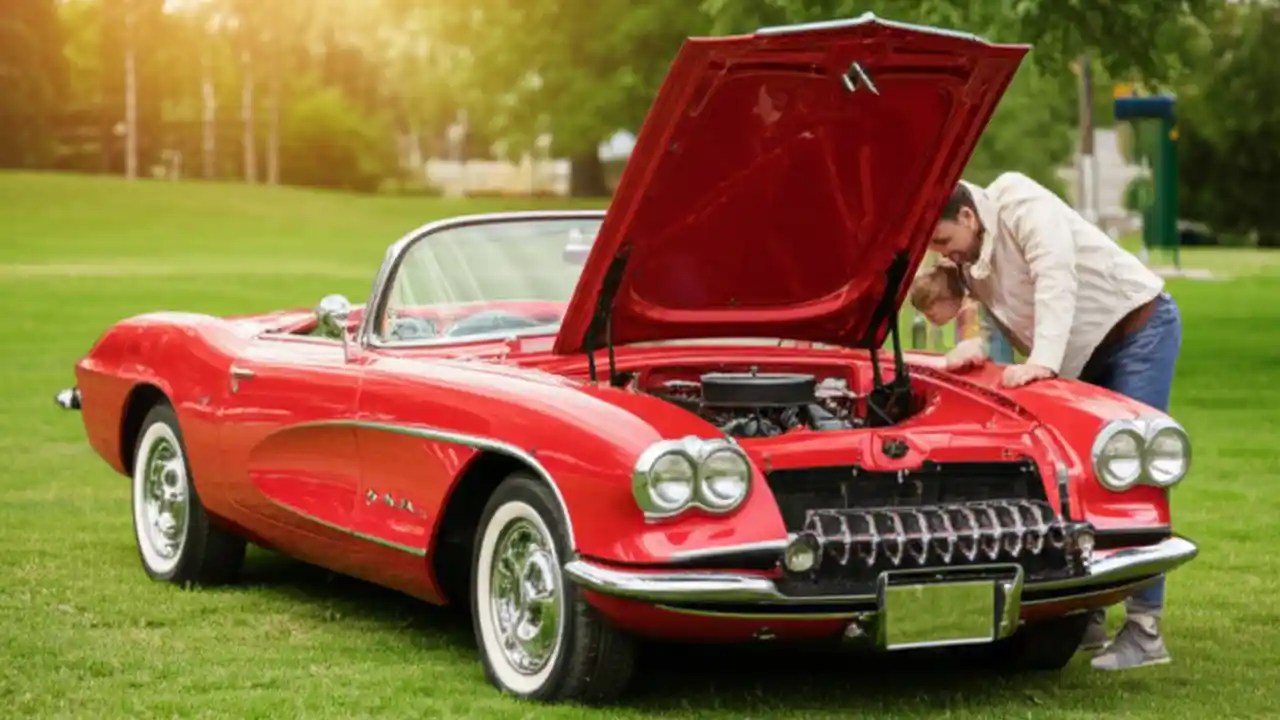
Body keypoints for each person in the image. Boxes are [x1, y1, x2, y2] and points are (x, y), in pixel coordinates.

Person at [927, 172, 1183, 671]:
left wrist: (1043, 362)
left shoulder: (1021, 201)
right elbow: (979, 309)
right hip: (1078, 353)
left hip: (1137, 331)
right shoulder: (969, 251)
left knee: (1130, 473)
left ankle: (1145, 630)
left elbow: (1055, 278)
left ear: (967, 216)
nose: (945, 253)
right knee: (1071, 479)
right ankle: (1084, 611)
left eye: (944, 240)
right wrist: (971, 344)